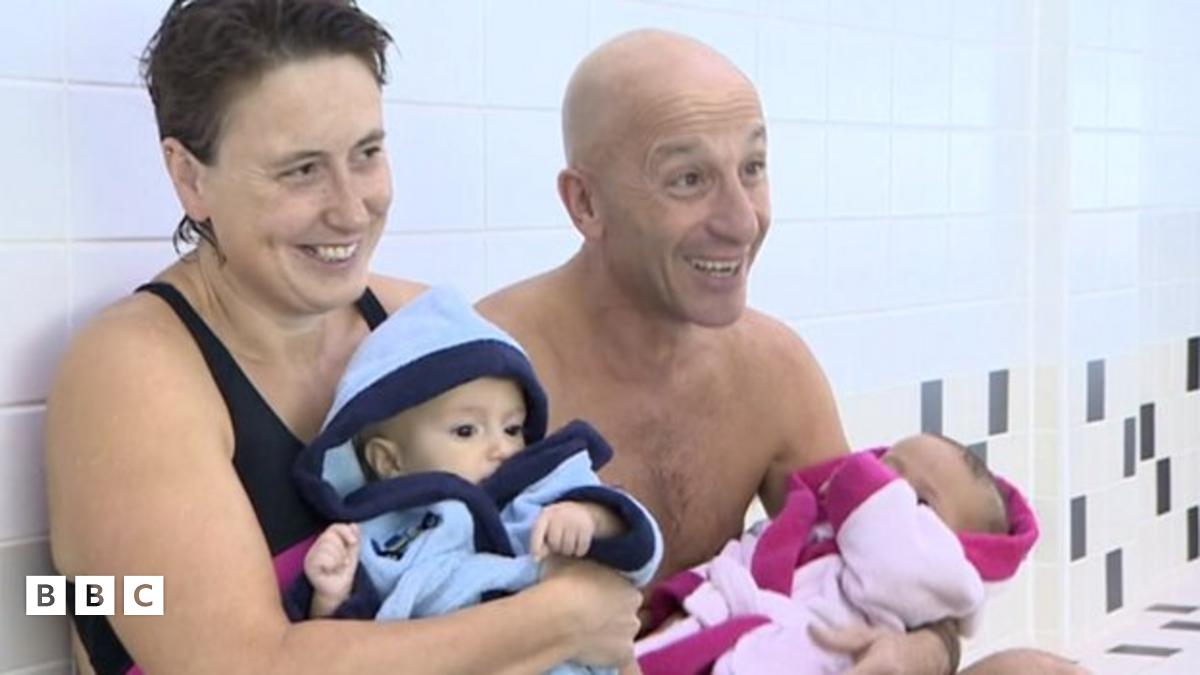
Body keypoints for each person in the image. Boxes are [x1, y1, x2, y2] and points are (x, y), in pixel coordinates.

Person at [43, 2, 643, 674]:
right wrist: (560, 619)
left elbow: (536, 521)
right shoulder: (132, 374)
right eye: (300, 170)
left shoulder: (423, 327)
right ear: (189, 176)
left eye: (367, 153)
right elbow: (236, 665)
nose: (351, 208)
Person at [478, 29, 1086, 674]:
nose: (742, 221)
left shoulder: (772, 371)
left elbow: (886, 577)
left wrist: (921, 652)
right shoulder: (487, 373)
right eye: (689, 179)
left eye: (753, 169)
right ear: (586, 203)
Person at [287, 289, 661, 674]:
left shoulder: (542, 488)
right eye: (466, 430)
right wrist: (330, 599)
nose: (501, 447)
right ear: (389, 460)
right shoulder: (375, 536)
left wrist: (593, 519)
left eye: (513, 427)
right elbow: (351, 648)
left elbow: (640, 549)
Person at [634, 434, 1040, 674]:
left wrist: (927, 649)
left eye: (918, 501)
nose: (887, 488)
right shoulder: (813, 528)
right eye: (887, 468)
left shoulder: (778, 371)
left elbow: (926, 595)